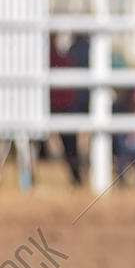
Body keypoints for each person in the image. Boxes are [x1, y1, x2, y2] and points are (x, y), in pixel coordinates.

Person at [48, 32, 89, 186]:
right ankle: (77, 176)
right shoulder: (62, 57)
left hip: (63, 106)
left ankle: (77, 176)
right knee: (70, 144)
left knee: (70, 144)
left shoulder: (59, 56)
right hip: (63, 106)